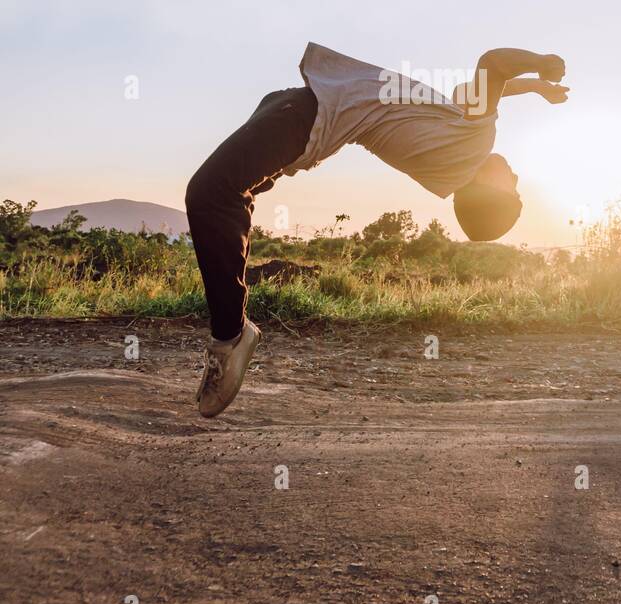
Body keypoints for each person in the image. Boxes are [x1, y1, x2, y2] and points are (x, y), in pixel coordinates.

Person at [185, 42, 568, 417]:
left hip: (309, 114)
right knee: (227, 195)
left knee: (210, 194)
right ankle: (229, 328)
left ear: (489, 192)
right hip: (305, 109)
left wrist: (541, 63)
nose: (516, 175)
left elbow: (493, 64)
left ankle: (230, 335)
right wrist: (534, 86)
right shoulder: (455, 149)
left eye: (513, 187)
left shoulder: (473, 144)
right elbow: (475, 88)